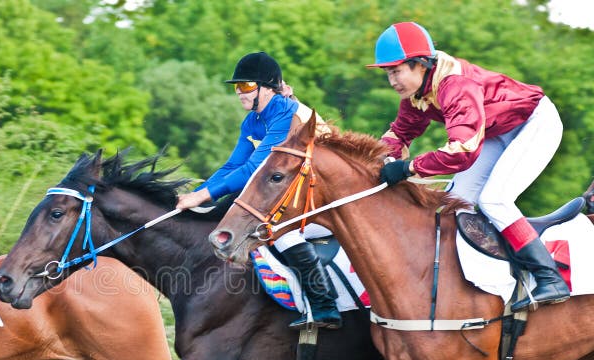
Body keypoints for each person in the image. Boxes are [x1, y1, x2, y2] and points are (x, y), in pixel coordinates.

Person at [369, 22, 569, 312]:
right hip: (495, 131)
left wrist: (408, 168)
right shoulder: (418, 92)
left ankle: (549, 277)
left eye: (396, 71)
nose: (392, 81)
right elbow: (400, 133)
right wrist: (376, 162)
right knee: (454, 203)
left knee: (494, 200)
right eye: (388, 73)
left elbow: (461, 152)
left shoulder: (455, 85)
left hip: (534, 123)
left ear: (421, 64)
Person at [176, 52, 342, 329]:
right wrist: (196, 196)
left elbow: (254, 169)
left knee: (280, 231)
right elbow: (233, 166)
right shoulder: (252, 121)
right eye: (237, 87)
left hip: (330, 199)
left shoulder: (287, 114)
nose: (240, 93)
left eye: (246, 86)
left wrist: (203, 196)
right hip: (299, 195)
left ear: (268, 88)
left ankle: (324, 306)